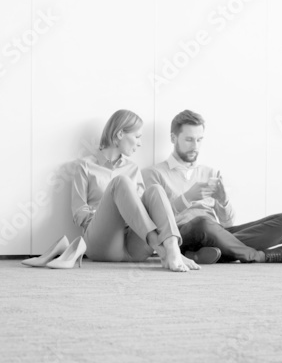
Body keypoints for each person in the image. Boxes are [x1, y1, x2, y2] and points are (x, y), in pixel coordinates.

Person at [141, 110, 282, 264]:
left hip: (216, 232)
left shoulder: (211, 173)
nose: (195, 146)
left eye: (199, 139)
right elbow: (155, 224)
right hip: (182, 236)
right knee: (202, 223)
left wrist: (224, 201)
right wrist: (187, 198)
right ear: (173, 138)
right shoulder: (153, 173)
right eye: (189, 140)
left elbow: (227, 225)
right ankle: (257, 255)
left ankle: (211, 254)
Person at [68, 109, 200, 273]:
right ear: (120, 134)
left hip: (135, 246)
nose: (140, 143)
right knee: (121, 182)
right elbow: (78, 211)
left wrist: (130, 213)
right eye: (137, 137)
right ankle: (159, 248)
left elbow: (142, 210)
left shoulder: (133, 168)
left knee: (155, 190)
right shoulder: (85, 166)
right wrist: (106, 213)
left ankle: (172, 248)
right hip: (102, 244)